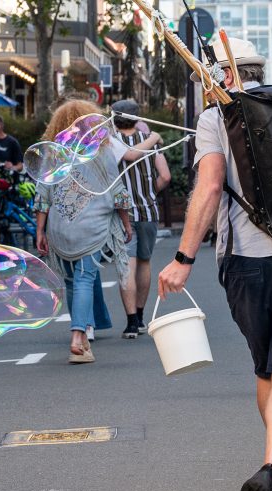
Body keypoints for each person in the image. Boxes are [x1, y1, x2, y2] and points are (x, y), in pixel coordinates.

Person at [158, 37, 272, 491]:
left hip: (249, 261)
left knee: (267, 370)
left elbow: (210, 187)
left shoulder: (218, 117)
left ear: (226, 75)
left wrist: (184, 257)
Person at [35, 99, 161, 363]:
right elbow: (118, 192)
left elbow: (42, 196)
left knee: (71, 281)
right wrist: (125, 223)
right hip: (92, 227)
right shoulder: (100, 151)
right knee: (84, 279)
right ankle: (77, 337)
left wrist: (40, 231)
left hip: (60, 228)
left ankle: (82, 337)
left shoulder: (53, 153)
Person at [111, 99, 171, 337]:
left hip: (121, 213)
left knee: (127, 265)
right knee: (144, 262)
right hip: (148, 210)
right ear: (136, 118)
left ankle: (131, 323)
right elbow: (165, 176)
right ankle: (141, 316)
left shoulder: (111, 141)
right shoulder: (150, 141)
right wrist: (149, 194)